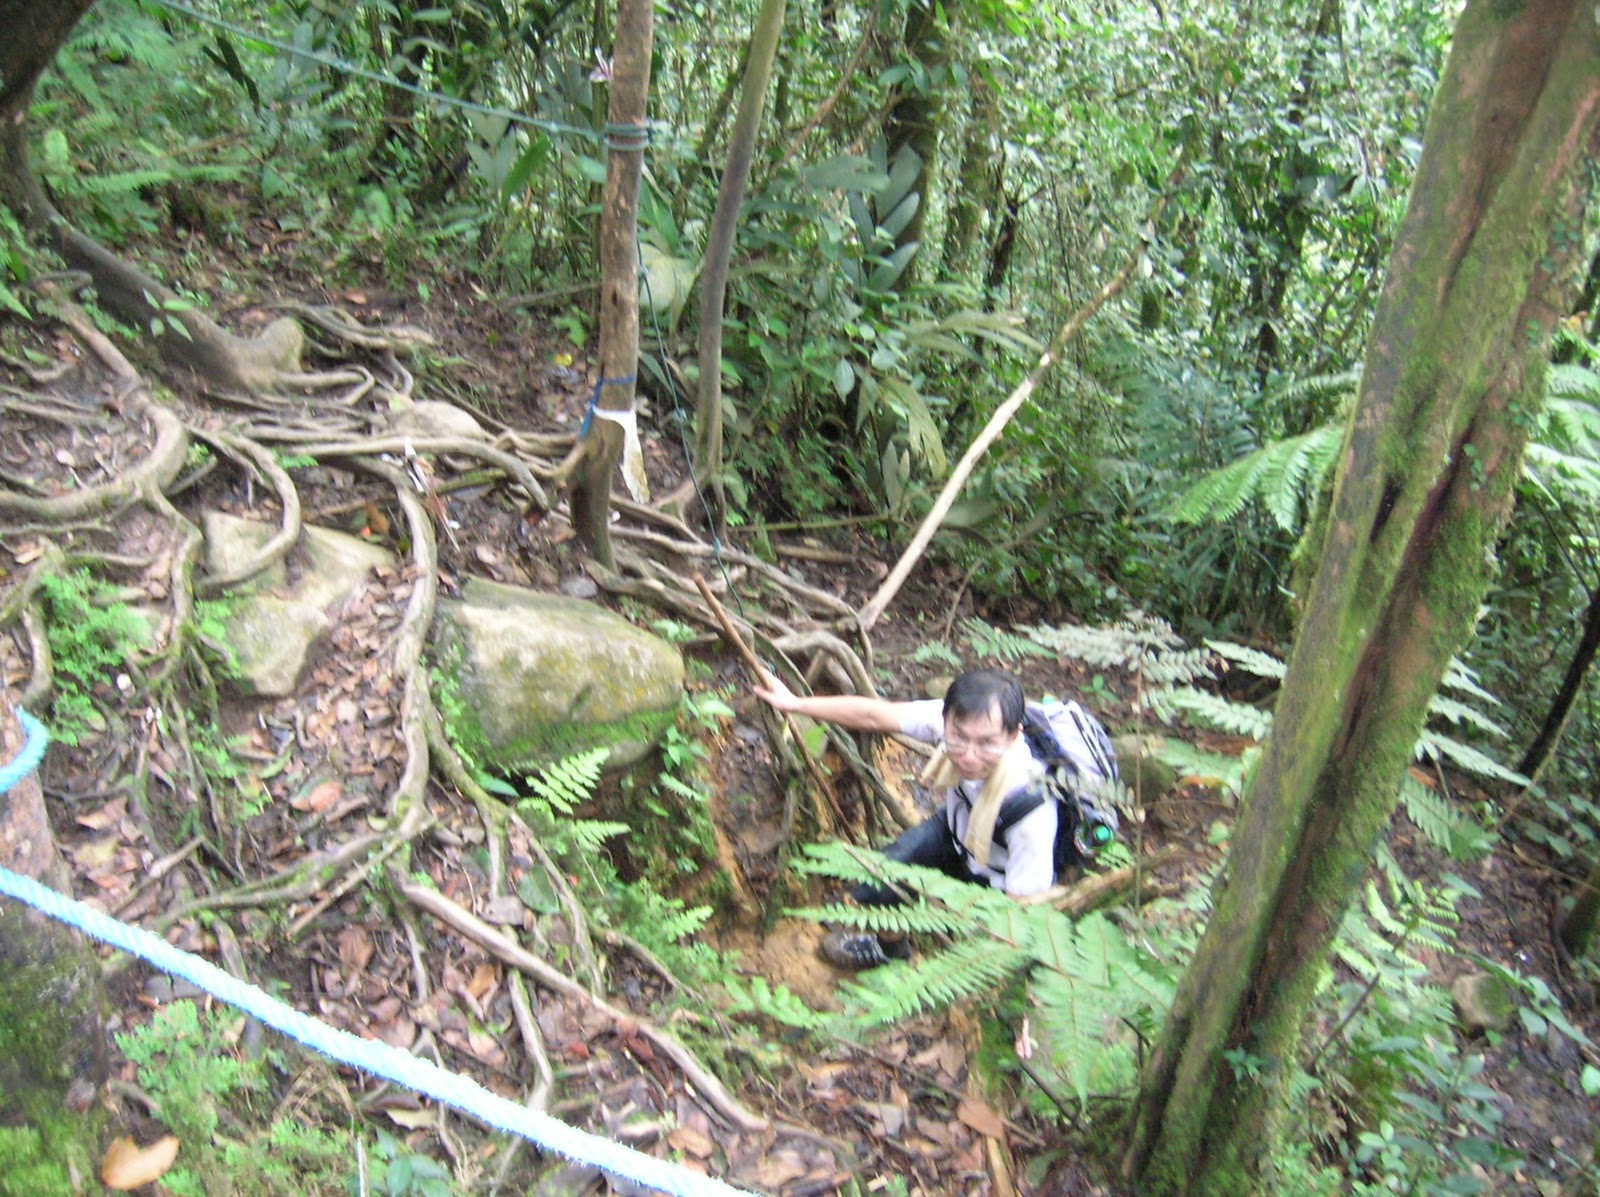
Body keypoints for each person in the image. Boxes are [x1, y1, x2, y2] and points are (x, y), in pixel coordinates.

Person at [755, 666, 1112, 969]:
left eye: (986, 744)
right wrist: (797, 703)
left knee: (974, 943)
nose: (968, 755)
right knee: (880, 878)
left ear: (1014, 735)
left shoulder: (1033, 813)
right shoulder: (954, 722)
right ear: (946, 721)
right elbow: (873, 715)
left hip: (996, 882)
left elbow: (1023, 918)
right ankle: (891, 947)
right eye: (958, 738)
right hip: (957, 832)